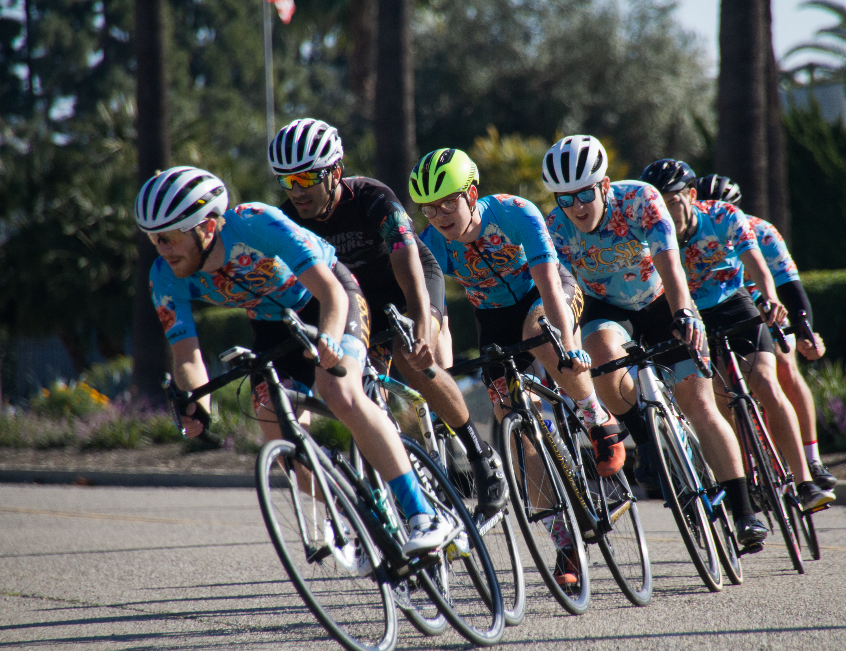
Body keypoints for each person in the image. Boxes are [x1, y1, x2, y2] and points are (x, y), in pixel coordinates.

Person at [138, 165, 457, 556]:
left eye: (169, 237)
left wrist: (329, 338)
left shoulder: (256, 222)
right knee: (282, 440)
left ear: (205, 227)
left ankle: (423, 515)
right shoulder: (164, 277)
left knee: (339, 391)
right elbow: (187, 357)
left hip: (329, 298)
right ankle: (362, 517)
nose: (162, 249)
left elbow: (331, 292)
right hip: (273, 328)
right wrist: (197, 404)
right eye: (154, 238)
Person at [267, 118, 507, 519]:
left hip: (408, 283)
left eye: (307, 178)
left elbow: (407, 262)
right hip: (356, 304)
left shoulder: (372, 197)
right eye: (287, 181)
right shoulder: (286, 220)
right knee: (356, 392)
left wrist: (421, 327)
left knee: (411, 356)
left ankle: (479, 455)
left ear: (335, 172)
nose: (297, 191)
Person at [409, 147, 627, 588]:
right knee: (512, 426)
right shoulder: (430, 243)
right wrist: (439, 375)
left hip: (546, 296)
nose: (439, 215)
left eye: (448, 203)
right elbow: (439, 321)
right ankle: (565, 542)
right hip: (492, 319)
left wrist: (569, 347)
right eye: (429, 208)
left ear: (472, 194)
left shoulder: (514, 213)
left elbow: (548, 283)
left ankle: (596, 417)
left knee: (540, 332)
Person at [541, 135, 768, 547]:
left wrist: (684, 313)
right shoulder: (554, 227)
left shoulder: (640, 199)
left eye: (585, 194)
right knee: (600, 357)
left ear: (604, 185)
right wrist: (568, 347)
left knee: (700, 405)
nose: (576, 207)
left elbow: (671, 265)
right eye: (565, 198)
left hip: (662, 300)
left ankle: (744, 512)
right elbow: (560, 294)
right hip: (608, 308)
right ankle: (645, 442)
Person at [639, 160, 835, 511]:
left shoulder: (723, 216)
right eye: (659, 205)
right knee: (718, 401)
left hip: (734, 303)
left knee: (767, 382)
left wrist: (770, 299)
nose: (667, 213)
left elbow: (757, 264)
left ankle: (805, 480)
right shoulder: (648, 235)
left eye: (674, 201)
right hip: (691, 316)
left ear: (692, 196)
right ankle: (744, 482)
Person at [696, 174, 836, 490]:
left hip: (765, 309)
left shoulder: (762, 232)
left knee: (785, 366)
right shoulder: (690, 235)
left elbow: (791, 287)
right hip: (721, 310)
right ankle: (749, 467)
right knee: (721, 391)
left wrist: (805, 333)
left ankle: (812, 460)